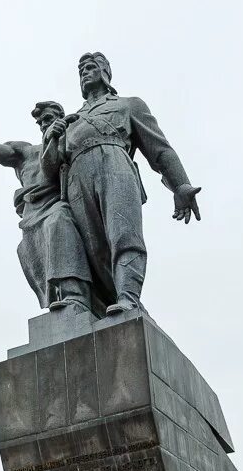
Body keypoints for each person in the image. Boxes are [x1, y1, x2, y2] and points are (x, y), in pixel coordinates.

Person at [40, 51, 202, 314]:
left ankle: (128, 298)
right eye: (81, 70)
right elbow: (50, 170)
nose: (84, 73)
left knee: (123, 235)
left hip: (115, 165)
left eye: (91, 67)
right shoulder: (70, 121)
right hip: (76, 179)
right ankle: (79, 301)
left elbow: (160, 150)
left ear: (106, 72)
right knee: (92, 249)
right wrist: (51, 140)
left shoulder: (129, 105)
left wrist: (180, 185)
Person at [0, 102, 94, 312]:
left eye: (49, 118)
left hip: (57, 205)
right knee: (31, 250)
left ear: (61, 117)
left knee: (58, 223)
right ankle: (59, 300)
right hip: (31, 213)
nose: (45, 123)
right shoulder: (25, 152)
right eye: (41, 121)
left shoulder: (71, 148)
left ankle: (76, 296)